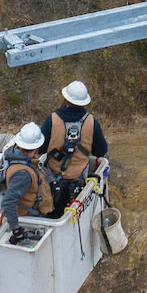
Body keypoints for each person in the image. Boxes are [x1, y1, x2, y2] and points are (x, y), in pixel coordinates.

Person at [39, 80, 108, 213]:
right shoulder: (91, 122)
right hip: (80, 177)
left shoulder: (52, 120)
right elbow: (101, 151)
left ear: (66, 99)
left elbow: (41, 149)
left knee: (55, 211)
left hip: (53, 178)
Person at [0, 122, 55, 242]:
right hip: (31, 220)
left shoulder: (25, 160)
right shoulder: (23, 174)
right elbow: (8, 202)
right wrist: (16, 230)